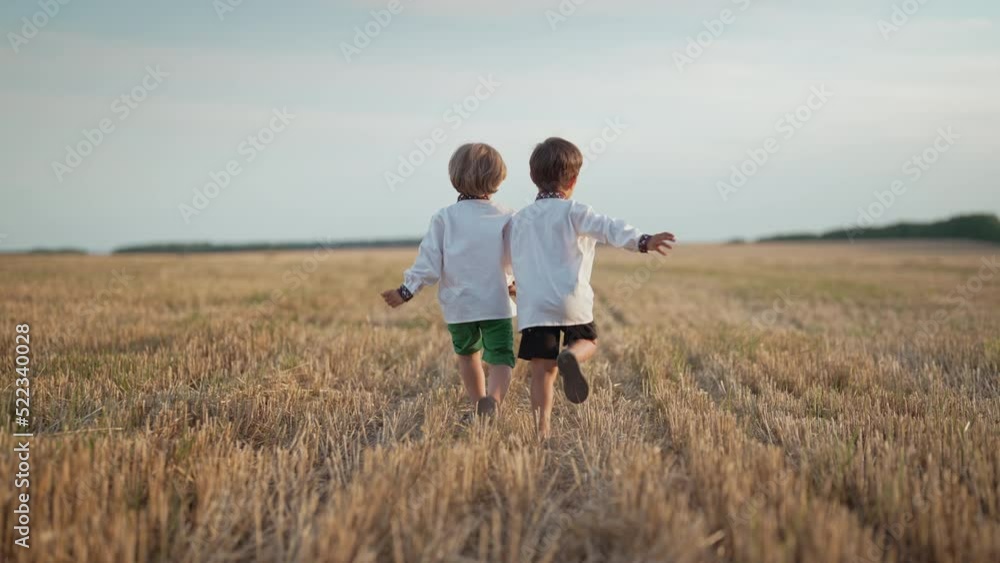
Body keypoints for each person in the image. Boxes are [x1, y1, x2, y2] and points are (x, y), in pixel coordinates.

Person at [510, 137, 675, 438]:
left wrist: (511, 283)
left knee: (542, 373)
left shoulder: (519, 220)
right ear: (573, 180)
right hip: (571, 301)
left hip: (535, 306)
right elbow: (611, 229)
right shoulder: (576, 212)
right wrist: (643, 241)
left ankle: (541, 432)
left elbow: (509, 258)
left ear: (534, 178)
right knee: (589, 342)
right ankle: (572, 355)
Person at [380, 143, 516, 417]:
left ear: (455, 177)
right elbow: (517, 257)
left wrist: (406, 291)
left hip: (459, 306)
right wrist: (517, 283)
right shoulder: (507, 215)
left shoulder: (444, 218)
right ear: (499, 178)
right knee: (501, 356)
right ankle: (495, 401)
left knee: (468, 355)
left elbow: (428, 262)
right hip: (496, 303)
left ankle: (479, 402)